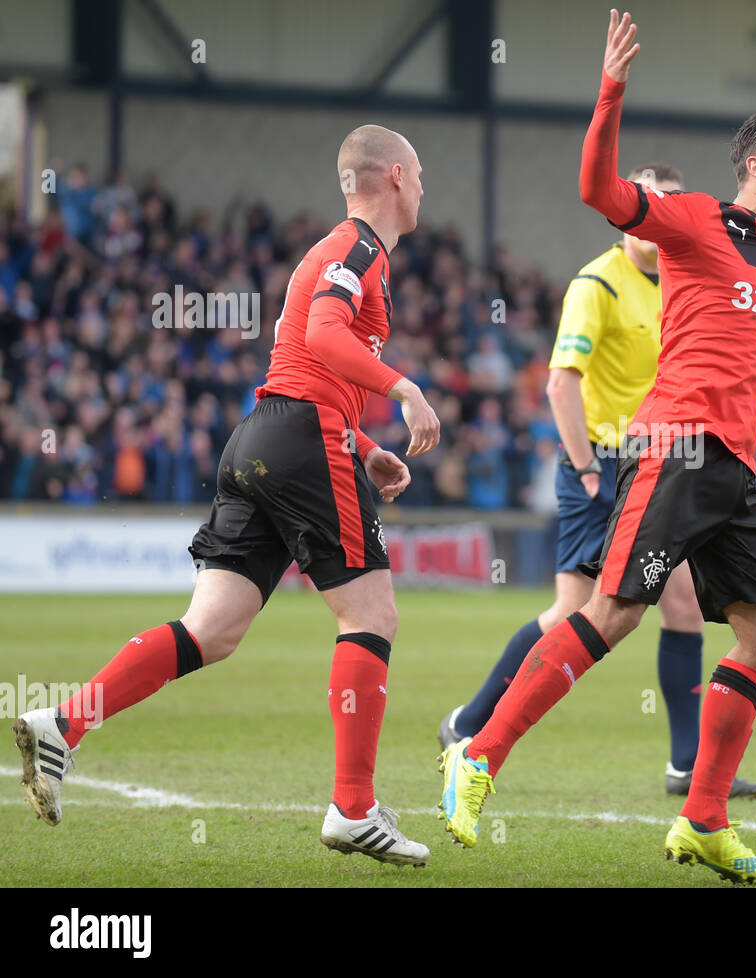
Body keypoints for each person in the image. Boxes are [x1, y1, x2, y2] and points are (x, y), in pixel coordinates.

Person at [436, 8, 756, 885]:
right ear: (755, 165)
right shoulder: (697, 222)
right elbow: (599, 190)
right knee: (609, 616)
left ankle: (701, 819)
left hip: (733, 469)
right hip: (674, 447)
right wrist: (612, 88)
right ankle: (478, 754)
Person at [11, 125, 442, 867]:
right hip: (299, 437)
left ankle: (64, 723)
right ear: (397, 176)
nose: (427, 186)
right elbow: (323, 333)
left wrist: (364, 447)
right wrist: (404, 389)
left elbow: (302, 364)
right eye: (422, 173)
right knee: (371, 613)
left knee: (210, 630)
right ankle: (353, 806)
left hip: (265, 439)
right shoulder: (356, 249)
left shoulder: (340, 253)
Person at [437, 162, 756, 800]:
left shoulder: (683, 272)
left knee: (681, 608)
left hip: (657, 459)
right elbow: (562, 382)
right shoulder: (598, 283)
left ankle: (685, 765)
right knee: (573, 611)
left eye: (675, 202)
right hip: (599, 461)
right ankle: (470, 724)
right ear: (635, 211)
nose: (665, 212)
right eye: (655, 201)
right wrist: (585, 466)